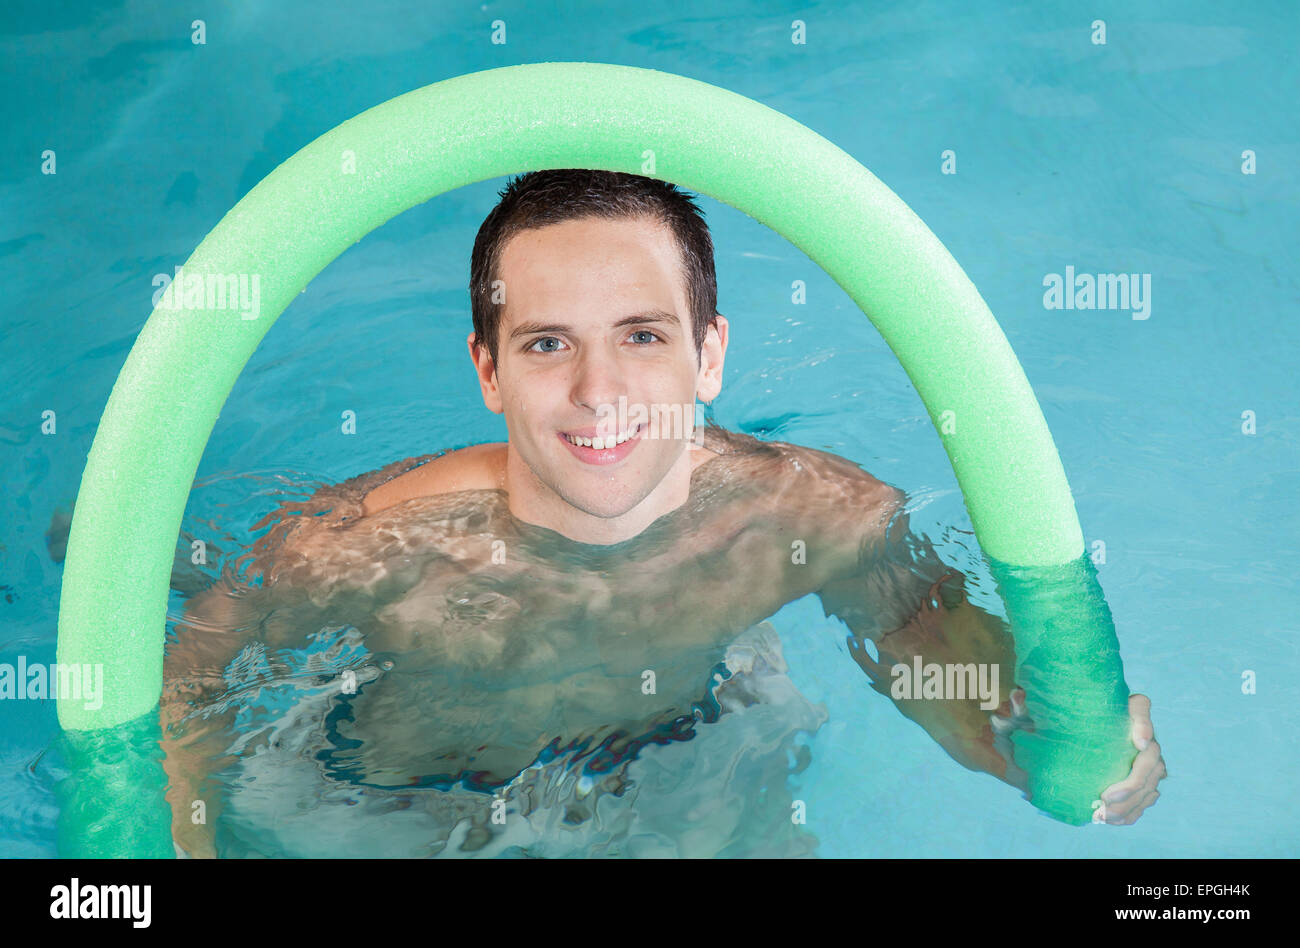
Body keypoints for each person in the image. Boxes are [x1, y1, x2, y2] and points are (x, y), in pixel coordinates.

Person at [161, 169, 1165, 857]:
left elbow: (931, 650)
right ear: (489, 370)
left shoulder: (807, 516)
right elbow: (185, 693)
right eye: (547, 344)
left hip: (679, 755)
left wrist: (1050, 749)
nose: (599, 391)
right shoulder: (363, 547)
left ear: (709, 353)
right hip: (386, 800)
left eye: (641, 335)